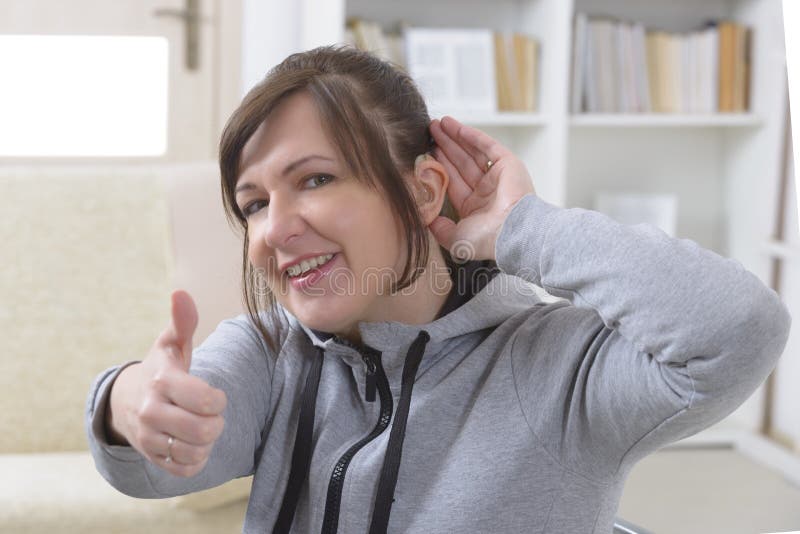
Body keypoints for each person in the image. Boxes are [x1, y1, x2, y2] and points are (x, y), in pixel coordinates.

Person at [86, 45, 791, 534]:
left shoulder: (552, 367)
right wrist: (128, 403)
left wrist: (523, 229)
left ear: (424, 189)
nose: (275, 228)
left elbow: (739, 330)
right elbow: (153, 473)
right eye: (254, 204)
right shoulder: (269, 352)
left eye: (316, 179)